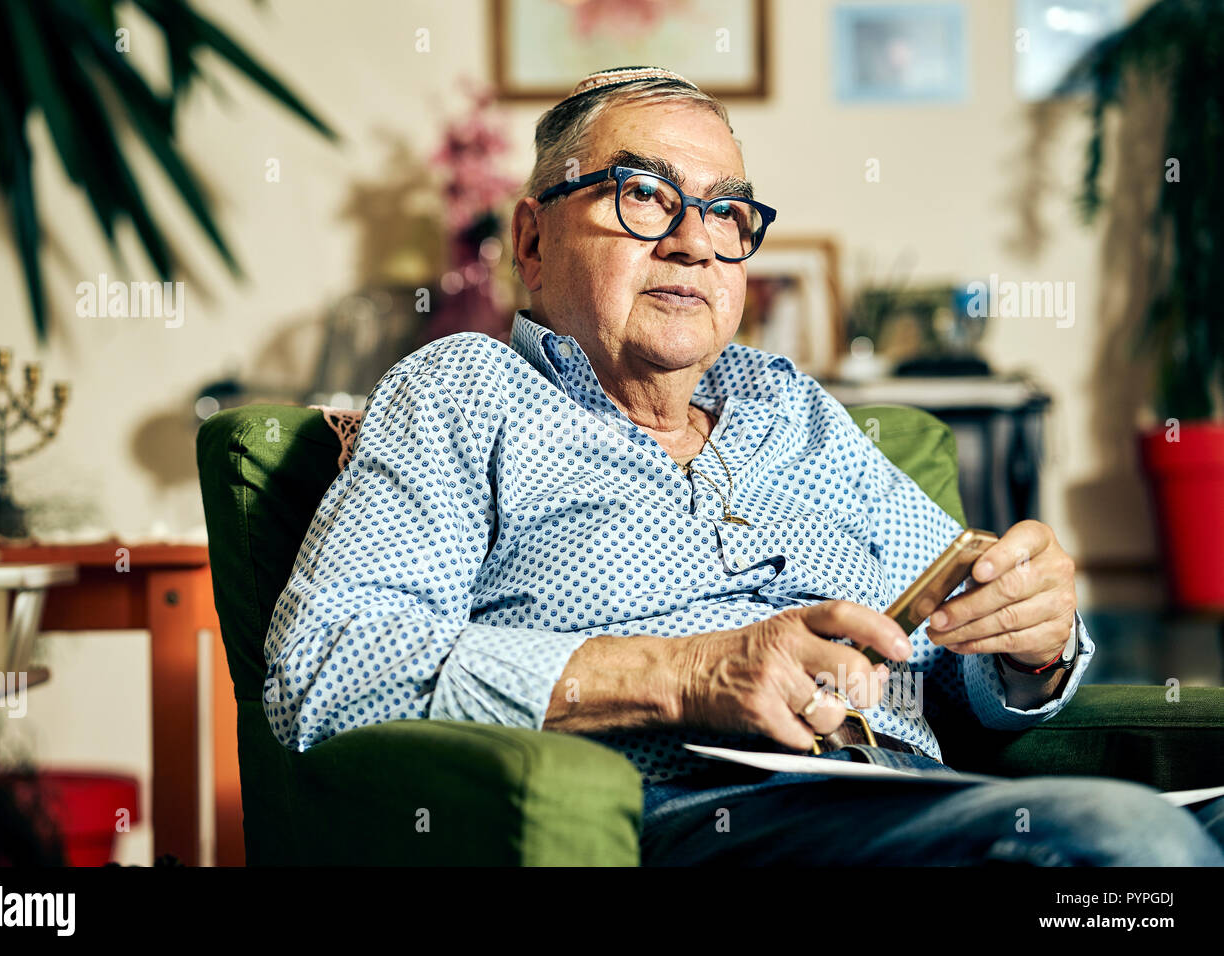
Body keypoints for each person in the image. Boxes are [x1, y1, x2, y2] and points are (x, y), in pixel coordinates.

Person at [263, 66, 1224, 865]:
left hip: (917, 805)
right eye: (641, 194)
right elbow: (326, 668)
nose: (692, 240)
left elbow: (944, 654)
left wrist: (1030, 643)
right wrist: (686, 675)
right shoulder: (466, 390)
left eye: (725, 212)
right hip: (688, 815)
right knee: (1117, 844)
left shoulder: (794, 409)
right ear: (531, 241)